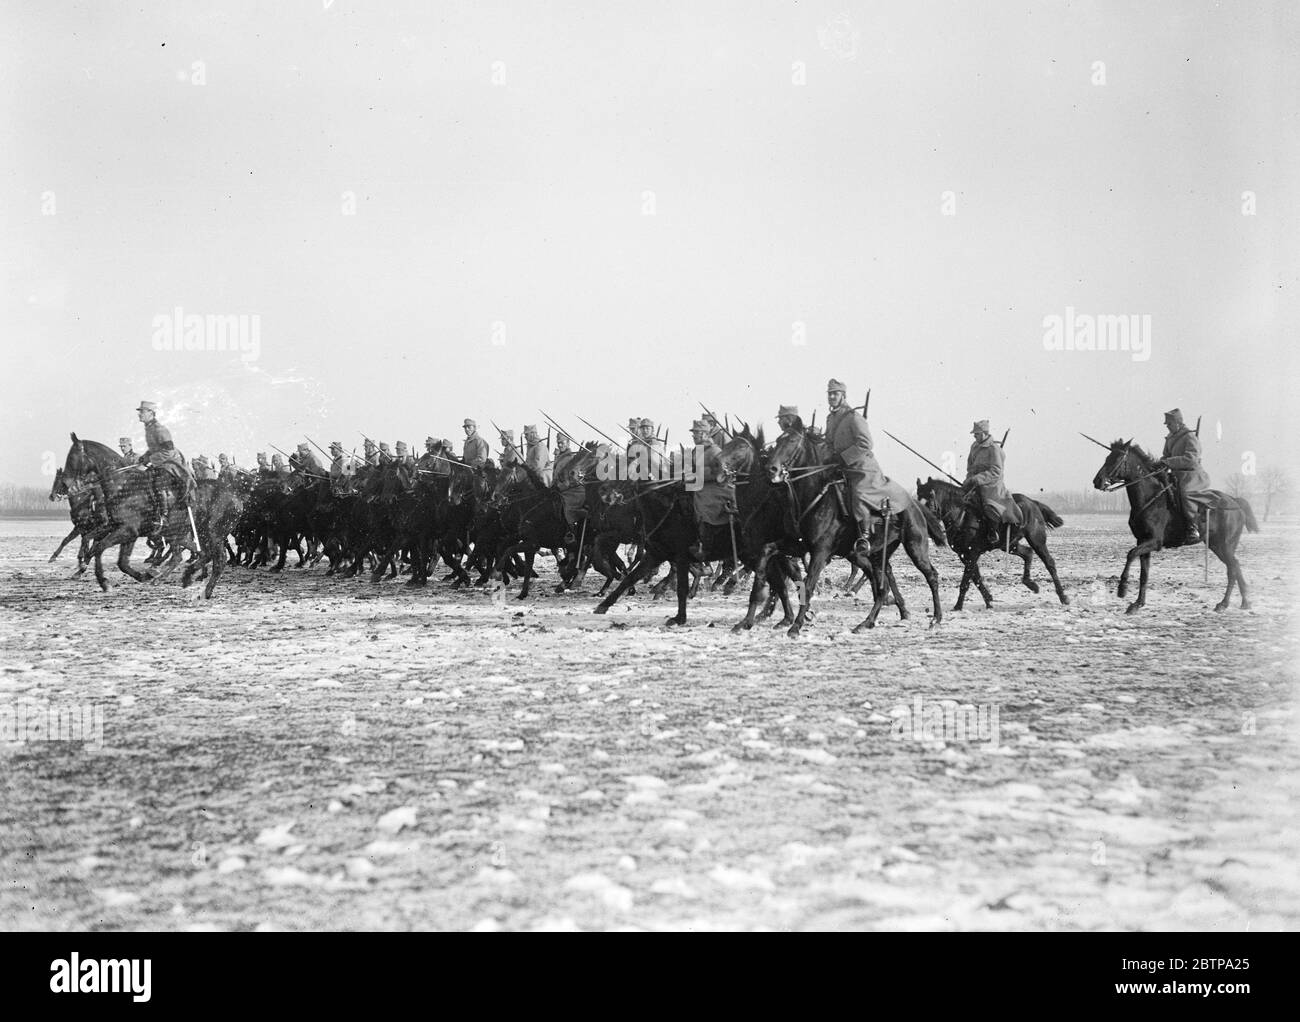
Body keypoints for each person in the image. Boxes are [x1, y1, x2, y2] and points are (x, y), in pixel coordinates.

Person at [824, 378, 909, 554]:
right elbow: (829, 443)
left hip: (861, 468)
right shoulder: (830, 419)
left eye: (835, 394)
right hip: (840, 466)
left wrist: (843, 457)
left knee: (858, 493)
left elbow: (866, 443)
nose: (832, 397)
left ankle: (864, 535)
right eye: (830, 394)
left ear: (843, 396)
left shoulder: (853, 417)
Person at [134, 400, 195, 539]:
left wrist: (150, 459)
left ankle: (164, 516)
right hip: (160, 463)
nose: (139, 414)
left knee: (158, 483)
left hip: (170, 464)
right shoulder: (149, 428)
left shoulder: (160, 429)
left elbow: (168, 451)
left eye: (142, 411)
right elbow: (154, 448)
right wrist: (144, 457)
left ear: (151, 413)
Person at [963, 420, 1023, 545]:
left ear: (985, 433)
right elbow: (970, 467)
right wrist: (968, 480)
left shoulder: (994, 449)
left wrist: (977, 479)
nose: (974, 436)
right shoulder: (974, 446)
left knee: (988, 506)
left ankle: (993, 532)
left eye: (977, 434)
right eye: (974, 434)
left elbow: (996, 471)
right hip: (975, 484)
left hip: (992, 486)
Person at [1157, 408, 1212, 542]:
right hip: (1177, 475)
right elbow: (1166, 456)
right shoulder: (1170, 438)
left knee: (1185, 493)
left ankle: (1193, 527)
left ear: (1178, 423)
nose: (1167, 426)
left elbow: (1191, 459)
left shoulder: (1189, 437)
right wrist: (1159, 464)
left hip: (1192, 475)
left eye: (1169, 424)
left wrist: (1168, 462)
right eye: (1167, 424)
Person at [687, 419, 736, 559]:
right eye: (693, 433)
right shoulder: (696, 451)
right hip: (698, 485)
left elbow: (721, 472)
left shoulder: (715, 451)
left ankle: (706, 544)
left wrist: (697, 474)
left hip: (715, 487)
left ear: (704, 434)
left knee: (704, 505)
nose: (693, 436)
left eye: (696, 433)